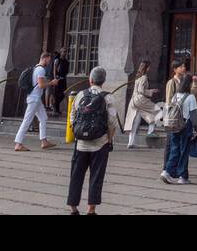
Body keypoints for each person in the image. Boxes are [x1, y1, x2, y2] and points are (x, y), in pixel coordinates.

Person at [66, 66, 119, 214]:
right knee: (96, 176)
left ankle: (73, 207)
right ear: (103, 81)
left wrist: (76, 129)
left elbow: (73, 115)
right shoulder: (108, 97)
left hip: (81, 143)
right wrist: (109, 138)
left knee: (76, 175)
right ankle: (91, 209)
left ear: (90, 80)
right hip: (100, 143)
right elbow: (112, 121)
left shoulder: (80, 95)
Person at [14, 51, 58, 152]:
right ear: (45, 58)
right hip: (34, 99)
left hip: (35, 98)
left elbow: (39, 83)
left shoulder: (36, 68)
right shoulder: (41, 70)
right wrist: (51, 82)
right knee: (27, 120)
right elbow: (41, 85)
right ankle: (18, 143)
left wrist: (48, 82)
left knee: (43, 118)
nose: (49, 62)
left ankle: (44, 141)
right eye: (49, 60)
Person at [160, 72, 197, 185]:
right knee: (184, 151)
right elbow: (193, 116)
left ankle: (166, 171)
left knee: (175, 149)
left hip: (174, 126)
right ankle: (182, 176)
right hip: (186, 126)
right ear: (190, 84)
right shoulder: (191, 97)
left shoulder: (175, 96)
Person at [124, 60, 159, 148]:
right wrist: (151, 91)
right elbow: (141, 91)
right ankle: (150, 132)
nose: (150, 68)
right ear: (146, 68)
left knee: (136, 121)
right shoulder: (144, 77)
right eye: (149, 67)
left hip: (134, 101)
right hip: (140, 99)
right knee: (157, 110)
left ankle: (130, 143)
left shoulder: (138, 77)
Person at [50, 48, 70, 116]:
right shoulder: (57, 60)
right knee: (56, 94)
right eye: (63, 52)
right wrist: (55, 78)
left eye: (66, 52)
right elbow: (54, 69)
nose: (65, 53)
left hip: (63, 79)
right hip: (58, 79)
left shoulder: (66, 61)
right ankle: (56, 109)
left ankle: (55, 106)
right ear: (61, 52)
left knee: (63, 94)